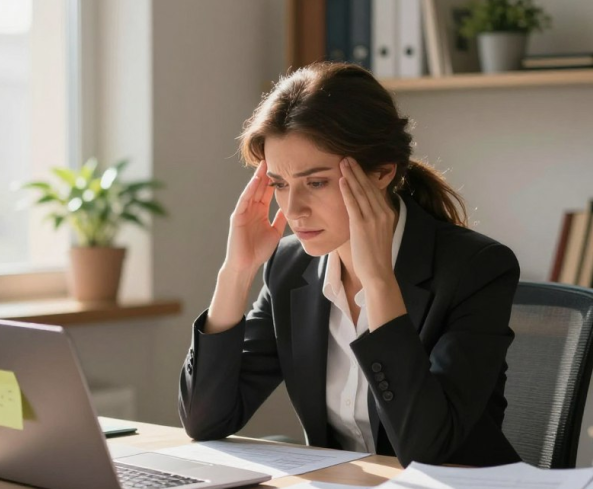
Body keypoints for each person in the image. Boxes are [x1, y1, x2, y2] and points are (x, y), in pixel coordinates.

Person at [177, 62, 522, 467]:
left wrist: (379, 284)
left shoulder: (476, 268)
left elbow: (428, 450)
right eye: (280, 184)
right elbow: (205, 420)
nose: (294, 209)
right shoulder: (289, 267)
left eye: (316, 182)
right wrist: (235, 272)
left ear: (381, 172)